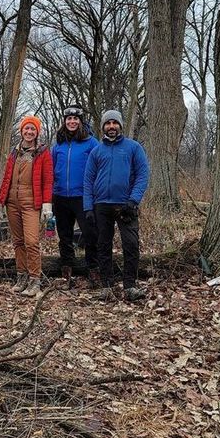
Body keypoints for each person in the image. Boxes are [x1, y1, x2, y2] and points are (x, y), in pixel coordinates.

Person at [83, 109, 150, 302]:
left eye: (115, 123)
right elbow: (88, 180)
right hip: (101, 205)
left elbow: (142, 175)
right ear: (103, 126)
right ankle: (106, 286)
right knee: (102, 245)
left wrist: (133, 200)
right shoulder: (96, 151)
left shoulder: (133, 147)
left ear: (120, 125)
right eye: (108, 123)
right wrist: (88, 207)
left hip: (126, 205)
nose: (111, 127)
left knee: (131, 245)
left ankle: (130, 286)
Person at [0, 115, 54, 297]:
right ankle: (21, 277)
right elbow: (6, 178)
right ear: (21, 131)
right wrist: (0, 203)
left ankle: (34, 280)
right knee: (18, 242)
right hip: (12, 203)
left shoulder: (43, 152)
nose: (29, 132)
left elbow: (48, 180)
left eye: (33, 129)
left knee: (31, 242)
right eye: (26, 129)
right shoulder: (15, 152)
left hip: (31, 203)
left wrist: (47, 205)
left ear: (37, 132)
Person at [51, 105, 100, 289]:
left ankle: (93, 269)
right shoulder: (58, 145)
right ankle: (67, 269)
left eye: (75, 119)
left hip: (83, 196)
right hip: (61, 196)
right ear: (64, 122)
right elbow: (52, 171)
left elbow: (98, 168)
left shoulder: (91, 143)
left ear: (80, 121)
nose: (72, 122)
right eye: (69, 119)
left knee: (90, 234)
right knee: (64, 236)